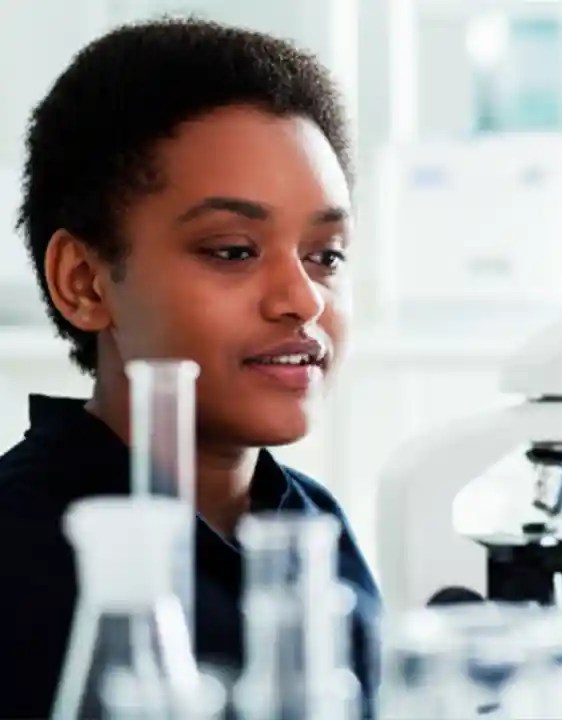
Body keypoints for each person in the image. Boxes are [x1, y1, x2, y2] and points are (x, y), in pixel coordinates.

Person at [0, 18, 380, 717]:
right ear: (84, 282)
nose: (302, 298)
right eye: (234, 250)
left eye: (326, 255)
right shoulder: (17, 557)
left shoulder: (312, 526)